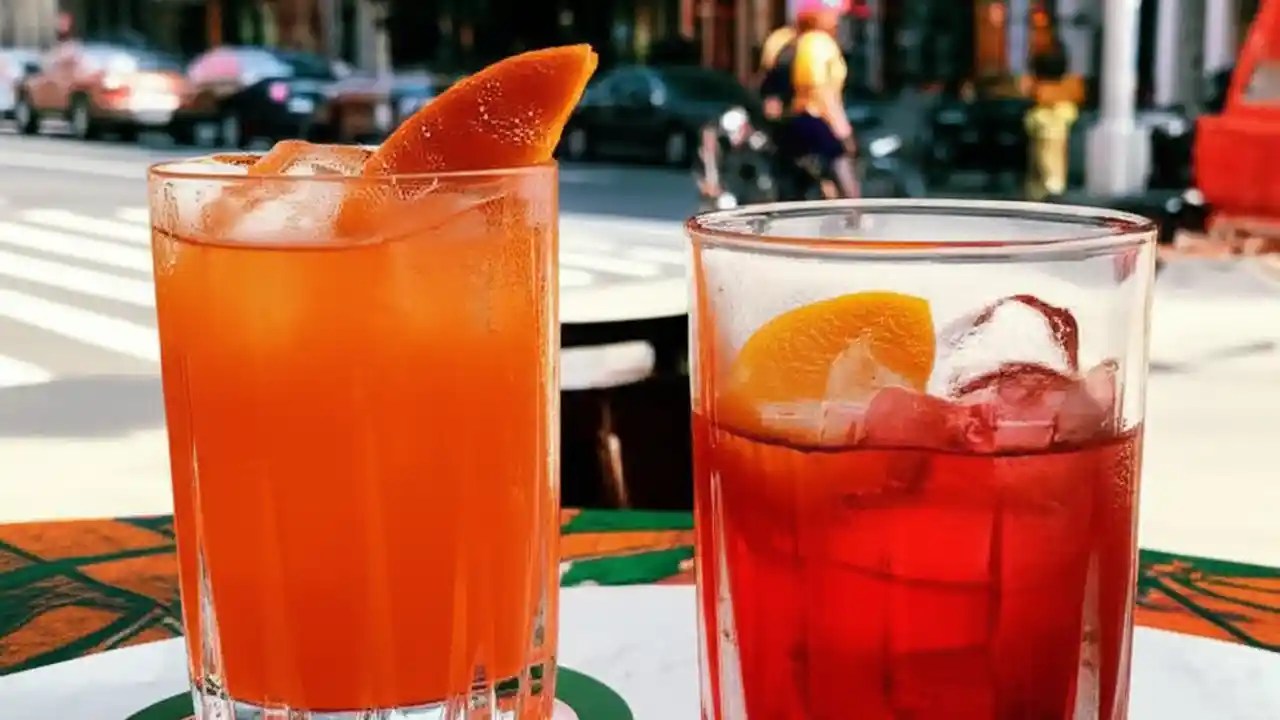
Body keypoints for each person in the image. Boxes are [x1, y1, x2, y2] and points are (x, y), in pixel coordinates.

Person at [779, 0, 860, 199]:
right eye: (833, 13)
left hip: (795, 118)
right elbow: (822, 91)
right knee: (840, 163)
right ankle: (855, 215)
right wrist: (842, 129)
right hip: (813, 116)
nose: (838, 19)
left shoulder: (791, 39)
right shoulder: (819, 43)